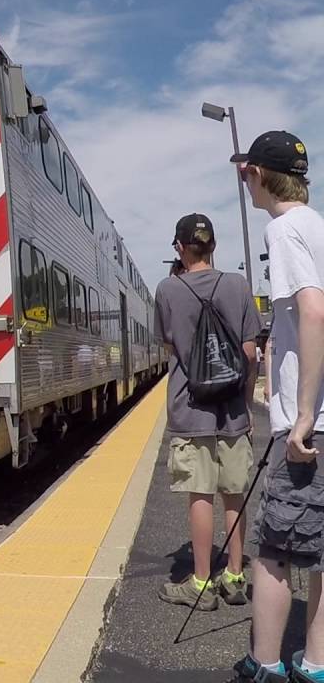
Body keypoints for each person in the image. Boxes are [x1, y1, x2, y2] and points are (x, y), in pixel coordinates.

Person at [231, 131, 324, 682]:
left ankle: (264, 666)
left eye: (246, 175)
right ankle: (314, 665)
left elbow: (313, 312)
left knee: (274, 550)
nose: (245, 183)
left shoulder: (285, 229)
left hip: (307, 430)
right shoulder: (320, 226)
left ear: (260, 176)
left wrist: (304, 414)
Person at [153, 214, 260, 612]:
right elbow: (250, 354)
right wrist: (247, 407)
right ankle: (234, 577)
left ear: (180, 248)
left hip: (190, 406)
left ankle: (200, 583)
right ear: (213, 246)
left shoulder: (168, 289)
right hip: (232, 409)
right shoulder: (237, 284)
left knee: (200, 493)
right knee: (234, 492)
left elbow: (168, 346)